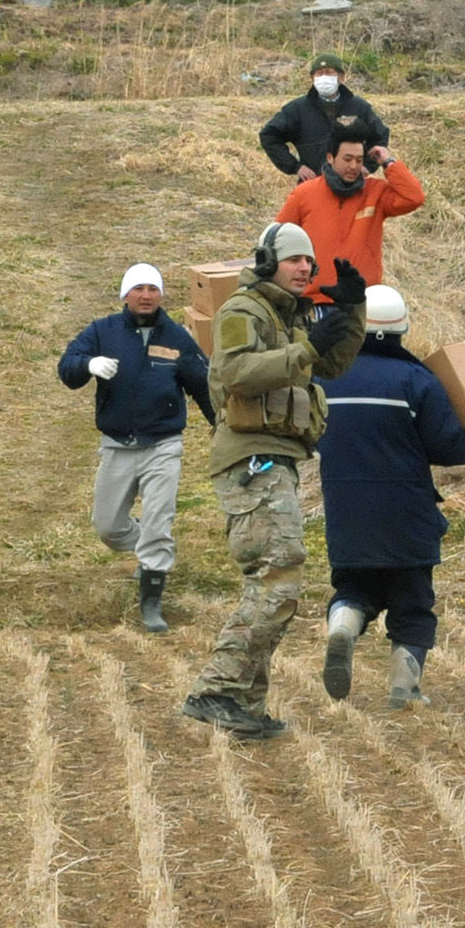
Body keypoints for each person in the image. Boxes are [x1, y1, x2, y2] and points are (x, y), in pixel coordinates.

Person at [180, 222, 366, 740]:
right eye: (294, 260)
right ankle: (216, 690)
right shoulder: (243, 311)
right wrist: (306, 349)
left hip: (275, 456)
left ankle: (243, 701)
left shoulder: (289, 317)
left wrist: (351, 310)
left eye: (309, 261)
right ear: (267, 262)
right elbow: (237, 373)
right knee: (278, 574)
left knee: (277, 581)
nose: (305, 267)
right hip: (251, 457)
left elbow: (335, 364)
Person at [315, 284, 465, 711]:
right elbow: (448, 448)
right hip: (405, 511)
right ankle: (404, 687)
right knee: (412, 600)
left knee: (355, 585)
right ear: (400, 329)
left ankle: (343, 624)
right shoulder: (416, 380)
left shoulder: (324, 379)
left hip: (344, 507)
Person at [57, 263, 215, 633]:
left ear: (161, 295)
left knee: (159, 520)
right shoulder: (102, 331)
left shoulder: (176, 337)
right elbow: (67, 368)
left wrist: (222, 427)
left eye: (153, 288)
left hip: (163, 445)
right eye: (138, 288)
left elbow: (203, 385)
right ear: (125, 294)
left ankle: (152, 598)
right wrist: (88, 364)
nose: (146, 295)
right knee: (108, 527)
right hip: (117, 445)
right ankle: (152, 547)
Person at [274, 121, 424, 299]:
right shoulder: (304, 193)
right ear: (330, 158)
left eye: (359, 160)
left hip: (363, 300)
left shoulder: (375, 192)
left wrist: (388, 161)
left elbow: (413, 198)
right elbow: (277, 238)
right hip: (316, 300)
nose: (354, 166)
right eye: (347, 159)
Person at [259, 52, 391, 184]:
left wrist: (367, 166)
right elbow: (269, 135)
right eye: (319, 73)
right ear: (312, 78)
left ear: (341, 77)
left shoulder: (359, 107)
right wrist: (295, 167)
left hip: (352, 185)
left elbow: (380, 135)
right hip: (312, 185)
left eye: (329, 72)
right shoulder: (297, 108)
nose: (323, 77)